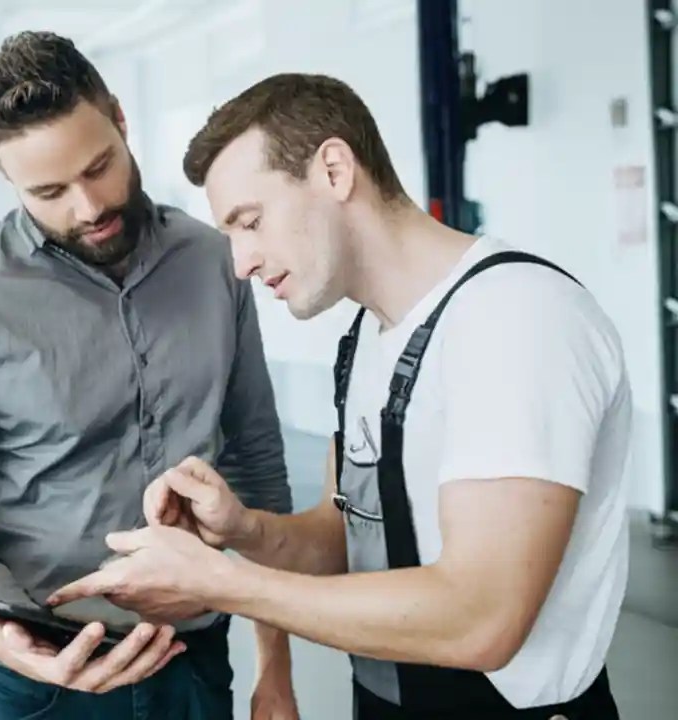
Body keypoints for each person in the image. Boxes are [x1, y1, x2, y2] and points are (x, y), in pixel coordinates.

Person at [48, 72, 630, 719]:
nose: (239, 262)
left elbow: (480, 618)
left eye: (251, 222)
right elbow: (348, 541)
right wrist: (244, 530)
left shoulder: (516, 317)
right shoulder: (367, 339)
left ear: (332, 169)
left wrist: (221, 583)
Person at [0, 32, 299, 720]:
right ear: (6, 179)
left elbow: (259, 471)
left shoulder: (213, 260)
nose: (87, 206)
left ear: (120, 119)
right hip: (33, 679)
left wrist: (276, 672)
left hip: (194, 665)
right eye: (48, 190)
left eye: (100, 166)